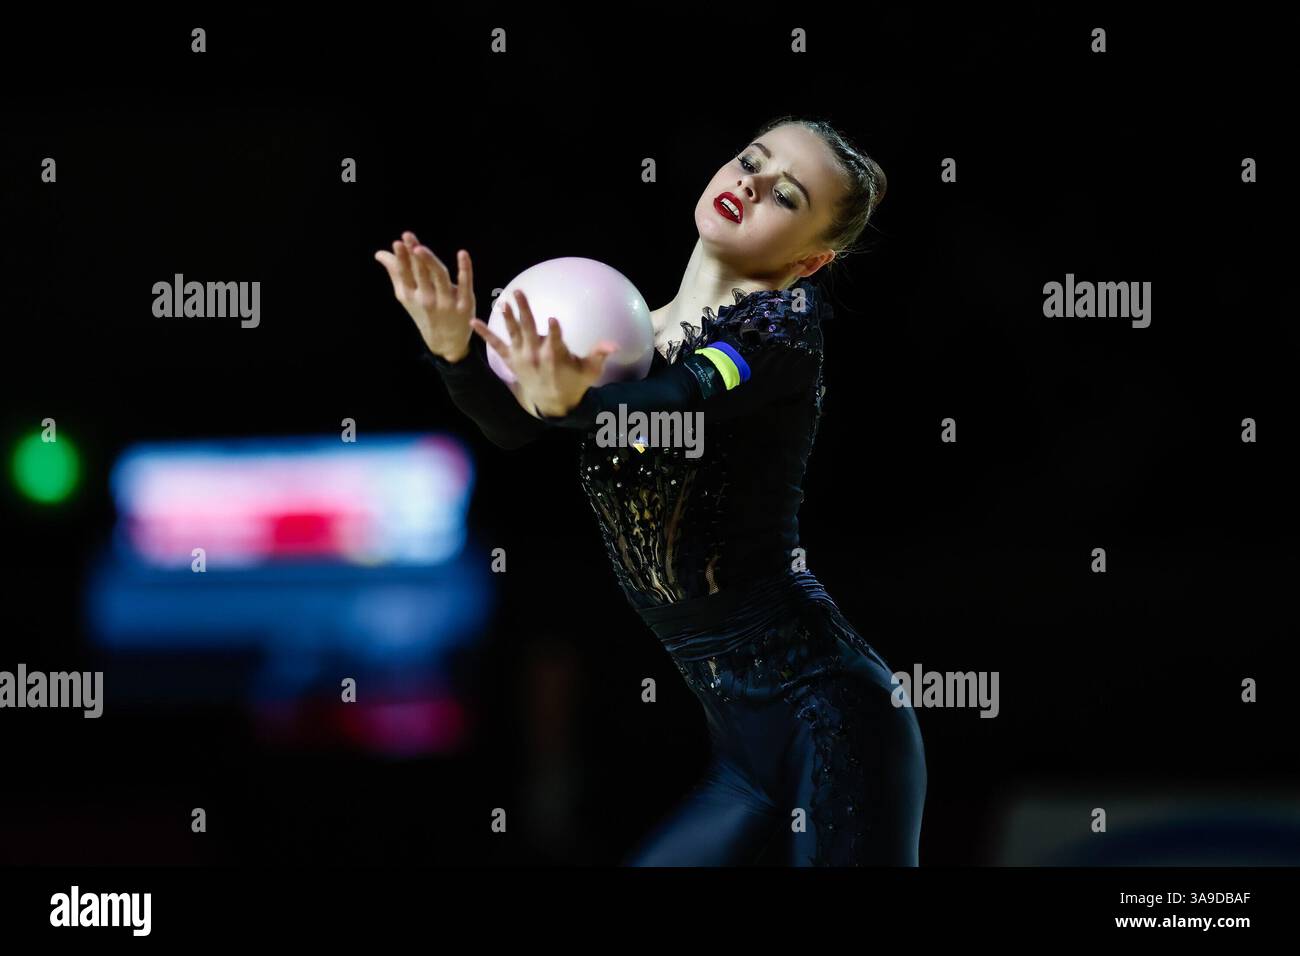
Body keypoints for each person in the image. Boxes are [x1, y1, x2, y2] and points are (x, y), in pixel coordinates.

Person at [375, 117, 926, 865]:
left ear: (811, 260)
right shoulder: (633, 335)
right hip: (742, 755)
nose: (750, 184)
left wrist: (580, 407)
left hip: (831, 715)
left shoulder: (779, 331)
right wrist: (454, 355)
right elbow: (516, 430)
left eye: (785, 195)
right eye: (749, 161)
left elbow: (676, 406)